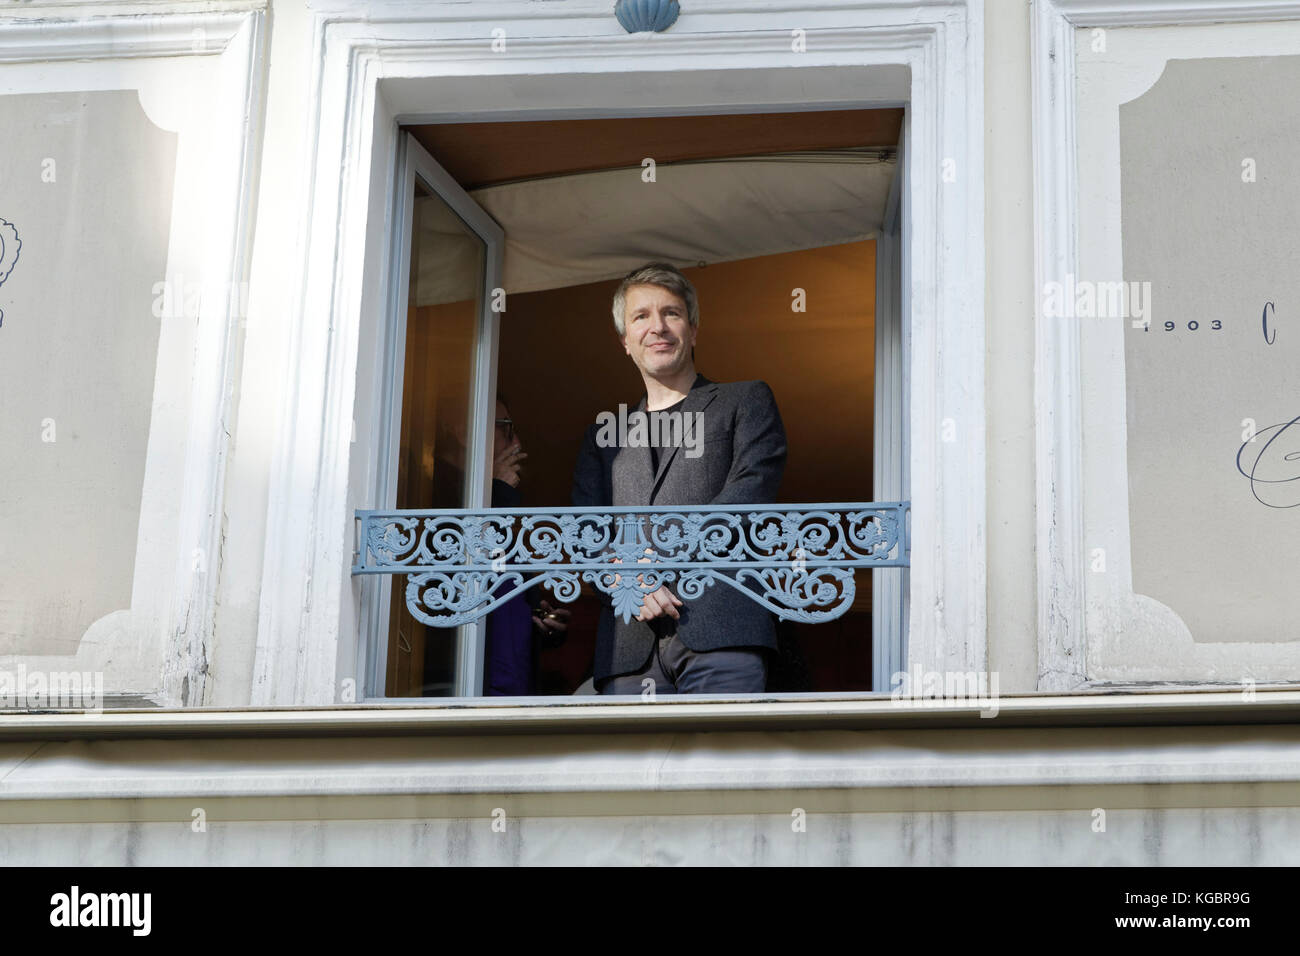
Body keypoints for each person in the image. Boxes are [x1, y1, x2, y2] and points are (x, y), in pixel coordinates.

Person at [571, 262, 787, 695]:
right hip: (627, 644)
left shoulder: (745, 399)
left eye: (671, 313)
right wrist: (631, 579)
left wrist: (653, 565)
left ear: (693, 329)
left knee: (720, 762)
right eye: (641, 316)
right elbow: (586, 531)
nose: (658, 327)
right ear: (624, 342)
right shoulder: (602, 433)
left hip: (721, 628)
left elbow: (749, 490)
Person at [483, 397, 570, 696]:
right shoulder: (431, 493)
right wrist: (497, 494)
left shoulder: (504, 512)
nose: (516, 442)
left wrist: (542, 625)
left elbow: (505, 607)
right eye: (505, 427)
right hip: (462, 697)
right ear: (463, 429)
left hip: (515, 698)